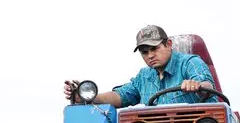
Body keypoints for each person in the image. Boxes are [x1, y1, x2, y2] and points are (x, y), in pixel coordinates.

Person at [64, 25, 216, 107]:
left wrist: (196, 85)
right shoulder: (144, 76)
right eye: (144, 52)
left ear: (168, 44)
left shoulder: (189, 63)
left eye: (155, 49)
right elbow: (120, 96)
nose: (150, 55)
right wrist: (87, 97)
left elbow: (208, 86)